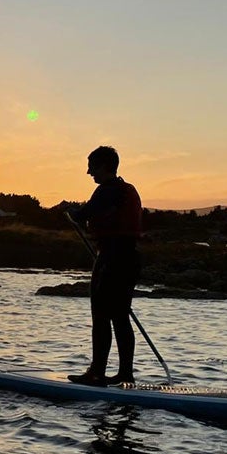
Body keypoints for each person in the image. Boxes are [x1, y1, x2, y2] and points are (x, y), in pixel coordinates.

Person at [66, 146, 143, 386]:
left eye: (92, 166)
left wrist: (68, 211)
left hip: (111, 258)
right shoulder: (127, 189)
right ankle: (125, 374)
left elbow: (83, 214)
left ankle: (97, 373)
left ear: (104, 166)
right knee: (120, 316)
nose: (89, 172)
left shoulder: (107, 190)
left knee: (101, 316)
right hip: (129, 258)